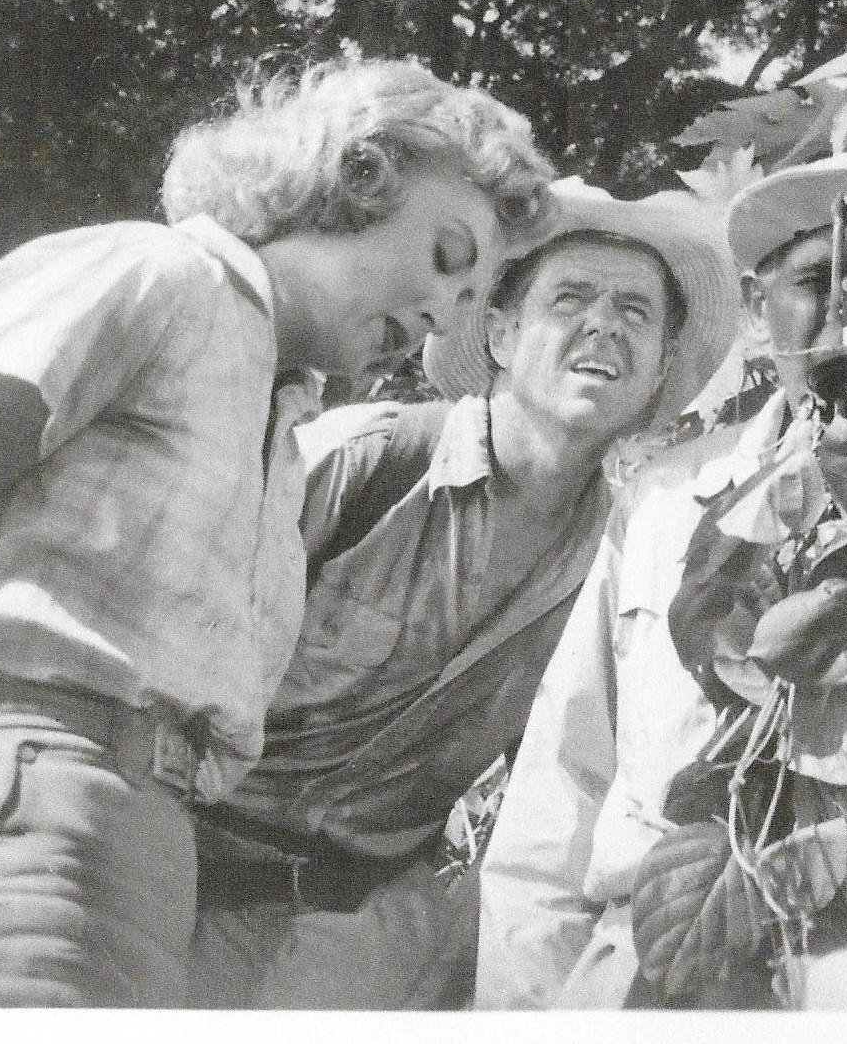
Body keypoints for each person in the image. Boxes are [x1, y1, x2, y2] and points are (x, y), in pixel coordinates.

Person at [0, 57, 553, 1007]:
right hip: (26, 788)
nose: (440, 313)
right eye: (450, 257)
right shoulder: (163, 274)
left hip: (152, 855)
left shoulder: (285, 432)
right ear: (353, 177)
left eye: (468, 301)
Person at [182, 179, 739, 1008]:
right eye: (571, 297)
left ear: (659, 366)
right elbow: (167, 634)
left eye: (635, 309)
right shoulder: (367, 462)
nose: (603, 324)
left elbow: (571, 790)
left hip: (365, 936)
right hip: (190, 883)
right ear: (504, 334)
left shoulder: (629, 554)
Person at [475, 154, 847, 1007]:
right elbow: (565, 779)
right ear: (763, 311)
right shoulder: (665, 498)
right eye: (817, 279)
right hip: (652, 960)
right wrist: (521, 1005)